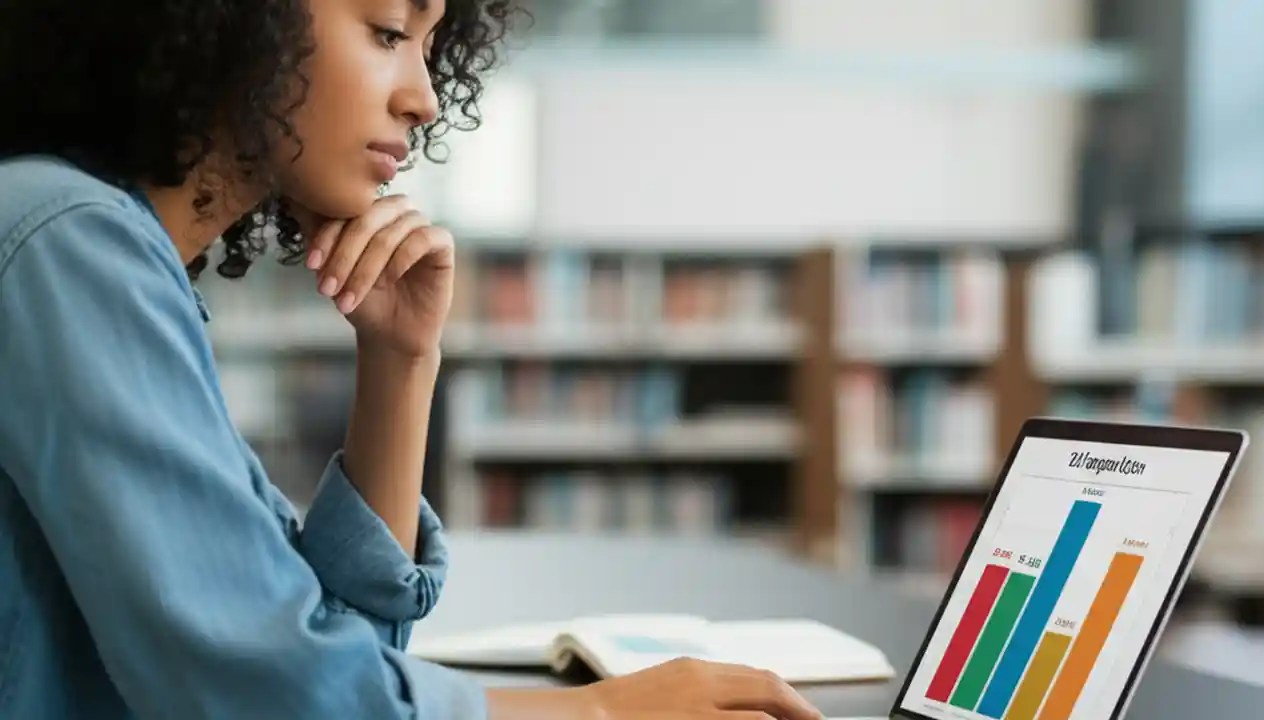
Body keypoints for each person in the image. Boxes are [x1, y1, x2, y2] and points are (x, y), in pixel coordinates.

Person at [0, 1, 826, 718]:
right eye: (390, 31)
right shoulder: (63, 240)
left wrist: (401, 360)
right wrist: (600, 710)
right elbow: (273, 692)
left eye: (431, 48)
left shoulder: (102, 248)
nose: (425, 99)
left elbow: (338, 656)